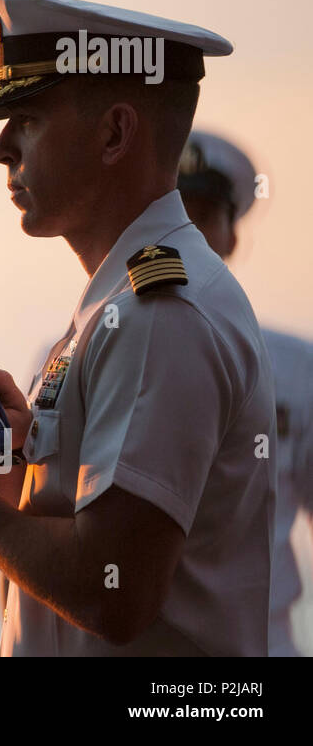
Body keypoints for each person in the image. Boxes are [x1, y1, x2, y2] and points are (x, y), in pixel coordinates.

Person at [0, 0, 275, 656]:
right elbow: (86, 550)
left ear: (116, 132)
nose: (1, 149)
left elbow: (111, 591)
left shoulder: (161, 311)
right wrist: (19, 460)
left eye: (28, 119)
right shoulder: (120, 301)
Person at [178, 129, 313, 656]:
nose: (182, 235)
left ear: (233, 235)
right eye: (169, 213)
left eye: (201, 216)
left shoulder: (295, 367)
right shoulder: (70, 358)